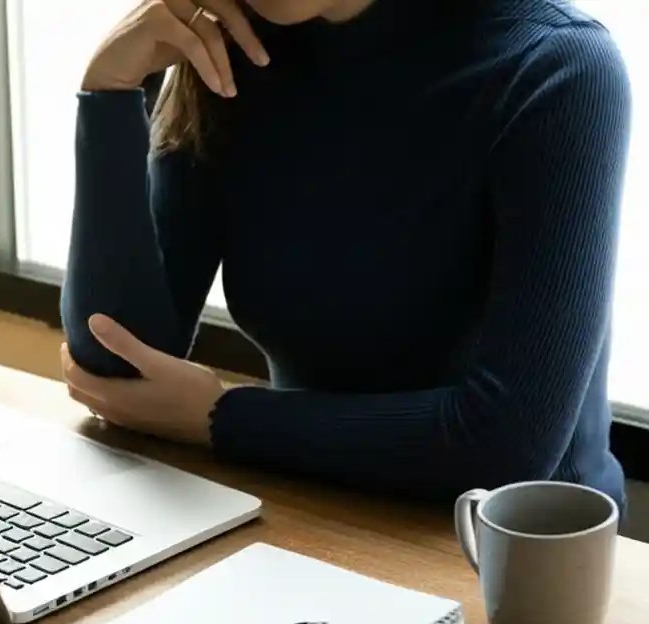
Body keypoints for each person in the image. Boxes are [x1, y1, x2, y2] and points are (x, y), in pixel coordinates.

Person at [59, 0, 632, 506]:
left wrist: (220, 418)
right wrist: (109, 90)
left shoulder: (557, 65)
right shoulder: (229, 50)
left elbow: (505, 443)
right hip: (308, 504)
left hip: (513, 564)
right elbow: (118, 369)